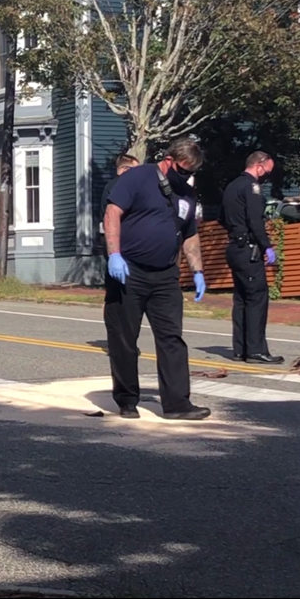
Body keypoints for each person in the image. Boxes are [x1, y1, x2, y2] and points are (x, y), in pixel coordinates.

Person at [103, 138, 212, 421]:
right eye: (183, 170)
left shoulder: (186, 196)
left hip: (165, 275)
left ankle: (177, 404)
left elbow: (189, 235)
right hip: (129, 271)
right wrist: (114, 254)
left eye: (191, 173)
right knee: (125, 338)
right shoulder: (138, 177)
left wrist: (198, 271)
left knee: (171, 339)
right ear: (169, 159)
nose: (186, 176)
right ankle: (127, 399)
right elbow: (112, 212)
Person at [219, 151, 285, 365]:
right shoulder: (252, 188)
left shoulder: (231, 186)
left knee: (240, 299)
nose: (267, 176)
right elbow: (256, 221)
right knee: (257, 298)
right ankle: (256, 350)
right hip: (249, 249)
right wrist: (266, 247)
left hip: (234, 247)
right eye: (267, 171)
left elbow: (221, 218)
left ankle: (240, 349)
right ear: (259, 165)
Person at [101, 154, 141, 235]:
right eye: (136, 170)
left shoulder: (109, 186)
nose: (139, 174)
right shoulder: (123, 185)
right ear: (125, 169)